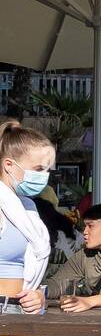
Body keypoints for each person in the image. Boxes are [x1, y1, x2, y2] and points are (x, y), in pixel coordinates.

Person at [0, 121, 55, 314]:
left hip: (20, 310)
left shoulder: (27, 208)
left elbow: (29, 266)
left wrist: (38, 294)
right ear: (9, 165)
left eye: (47, 170)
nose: (44, 176)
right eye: (38, 169)